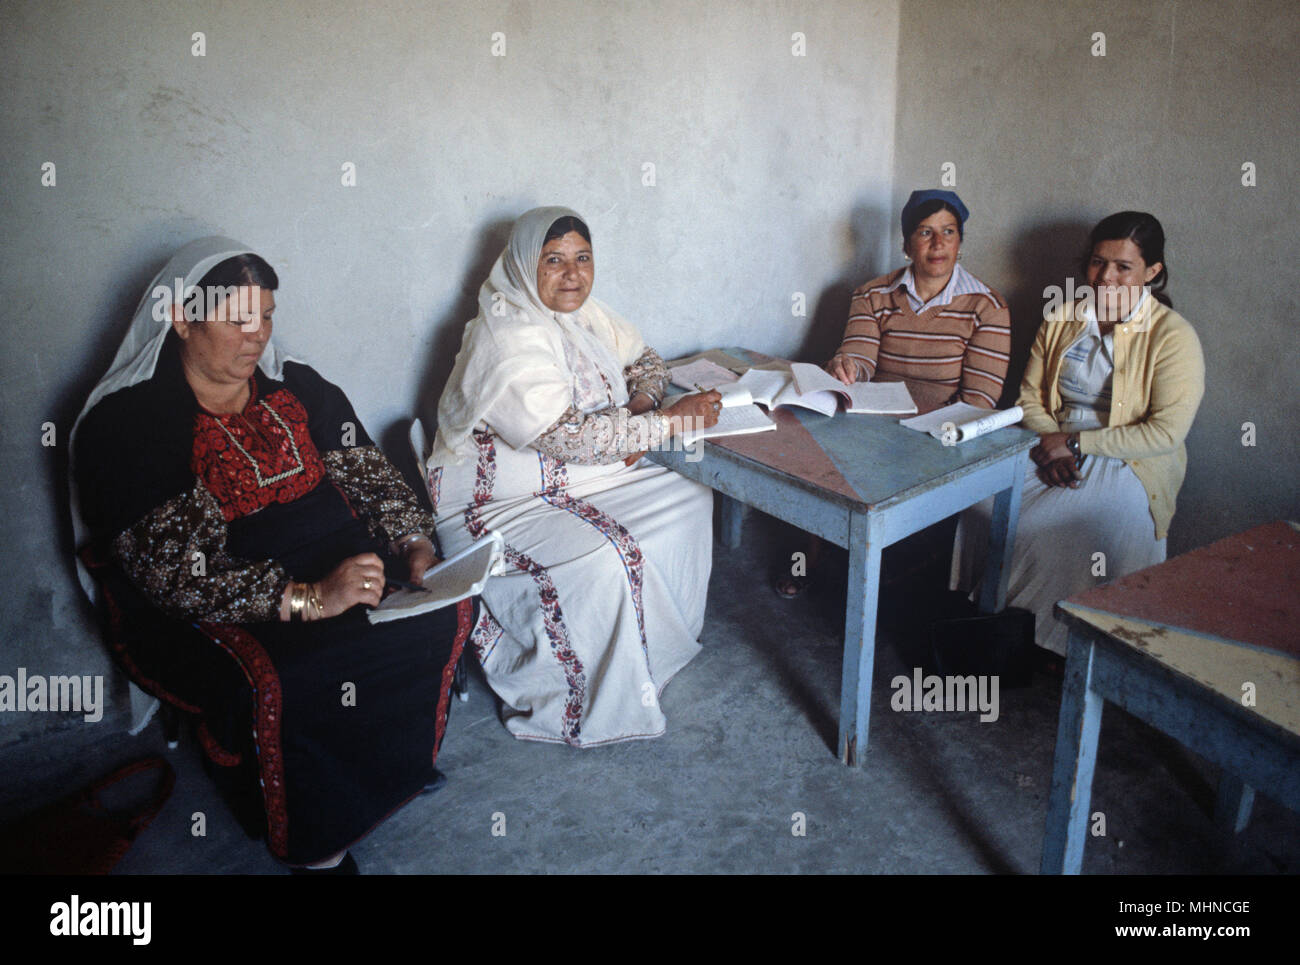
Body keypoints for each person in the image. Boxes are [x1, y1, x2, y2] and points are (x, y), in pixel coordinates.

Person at [72, 237, 473, 873]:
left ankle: (385, 768)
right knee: (303, 672)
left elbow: (369, 474)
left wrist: (413, 542)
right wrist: (313, 598)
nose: (256, 335)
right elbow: (179, 572)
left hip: (341, 561)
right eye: (237, 318)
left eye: (267, 315)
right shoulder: (132, 426)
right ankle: (319, 840)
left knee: (434, 613)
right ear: (181, 318)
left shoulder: (299, 388)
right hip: (227, 601)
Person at [426, 206, 720, 747]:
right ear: (521, 267)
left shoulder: (585, 317)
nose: (573, 275)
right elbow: (571, 439)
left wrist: (642, 402)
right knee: (608, 556)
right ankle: (585, 694)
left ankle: (653, 652)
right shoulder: (506, 334)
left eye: (583, 258)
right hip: (502, 501)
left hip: (590, 475)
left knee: (692, 493)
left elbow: (648, 360)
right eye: (554, 260)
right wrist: (669, 419)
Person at [950, 211, 1206, 656]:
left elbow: (1165, 432)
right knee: (980, 504)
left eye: (1123, 267)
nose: (1105, 277)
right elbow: (1029, 398)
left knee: (1056, 524)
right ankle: (994, 620)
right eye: (1097, 262)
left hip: (1131, 457)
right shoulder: (1063, 317)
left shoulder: (1173, 337)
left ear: (1152, 272)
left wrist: (1075, 444)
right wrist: (1053, 443)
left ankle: (1061, 642)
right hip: (1049, 441)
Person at [776, 189, 1012, 596]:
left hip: (939, 430)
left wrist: (923, 427)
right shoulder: (872, 294)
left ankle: (887, 576)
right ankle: (813, 554)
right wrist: (847, 366)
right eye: (925, 232)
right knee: (820, 450)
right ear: (906, 245)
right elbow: (860, 357)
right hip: (873, 418)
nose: (938, 244)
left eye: (948, 232)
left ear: (960, 241)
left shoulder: (987, 307)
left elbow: (980, 400)